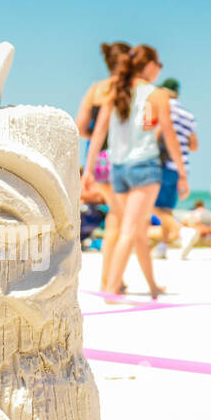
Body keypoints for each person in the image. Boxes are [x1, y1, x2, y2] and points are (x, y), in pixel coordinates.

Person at [82, 45, 189, 299]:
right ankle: (110, 289)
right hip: (144, 168)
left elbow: (98, 132)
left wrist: (88, 169)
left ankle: (152, 286)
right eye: (159, 64)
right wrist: (182, 172)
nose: (160, 69)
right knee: (129, 230)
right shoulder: (156, 95)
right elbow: (169, 135)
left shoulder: (118, 91)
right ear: (149, 65)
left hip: (118, 169)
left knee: (137, 229)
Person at [75, 42, 130, 289]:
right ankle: (110, 280)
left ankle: (113, 277)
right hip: (120, 157)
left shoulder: (95, 89)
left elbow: (81, 126)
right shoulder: (126, 89)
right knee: (117, 222)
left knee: (115, 221)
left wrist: (88, 164)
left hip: (96, 158)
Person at [152, 77, 198, 257]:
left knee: (150, 205)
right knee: (166, 208)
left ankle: (181, 231)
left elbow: (156, 134)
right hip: (180, 168)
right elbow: (194, 146)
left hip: (161, 164)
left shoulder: (164, 108)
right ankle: (162, 247)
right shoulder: (188, 115)